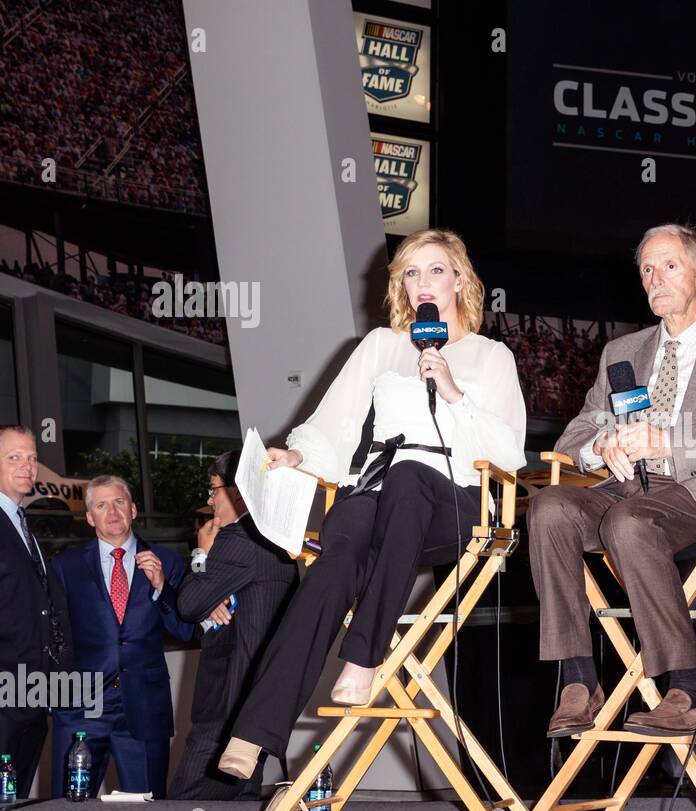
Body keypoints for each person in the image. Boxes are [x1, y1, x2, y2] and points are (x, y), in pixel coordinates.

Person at [216, 228, 527, 779]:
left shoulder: (491, 356)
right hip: (378, 490)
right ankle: (253, 732)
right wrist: (297, 455)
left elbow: (510, 453)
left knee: (411, 473)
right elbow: (330, 427)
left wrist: (454, 393)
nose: (422, 282)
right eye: (410, 273)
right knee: (334, 563)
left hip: (456, 502)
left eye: (434, 270)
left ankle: (363, 651)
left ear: (459, 280)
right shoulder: (382, 346)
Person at [528, 223, 696, 736]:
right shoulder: (620, 353)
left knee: (629, 523)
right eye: (646, 268)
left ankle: (689, 687)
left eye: (668, 265)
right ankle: (578, 678)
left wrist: (666, 442)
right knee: (548, 508)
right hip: (623, 489)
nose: (654, 278)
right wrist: (598, 444)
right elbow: (572, 435)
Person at [50, 475, 190, 798]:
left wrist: (161, 588)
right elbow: (55, 636)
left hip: (143, 707)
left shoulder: (166, 562)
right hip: (80, 707)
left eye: (119, 502)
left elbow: (184, 628)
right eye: (101, 505)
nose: (112, 512)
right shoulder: (65, 566)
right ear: (89, 517)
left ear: (134, 509)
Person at [170, 452, 298, 799]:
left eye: (214, 490)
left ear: (239, 490)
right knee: (239, 800)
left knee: (187, 803)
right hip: (256, 694)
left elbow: (187, 604)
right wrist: (214, 595)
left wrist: (202, 553)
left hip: (226, 695)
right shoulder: (277, 537)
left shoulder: (238, 538)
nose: (209, 500)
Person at [0, 425, 74, 797]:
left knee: (14, 800)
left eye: (32, 458)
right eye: (14, 457)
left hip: (31, 689)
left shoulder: (21, 522)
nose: (27, 466)